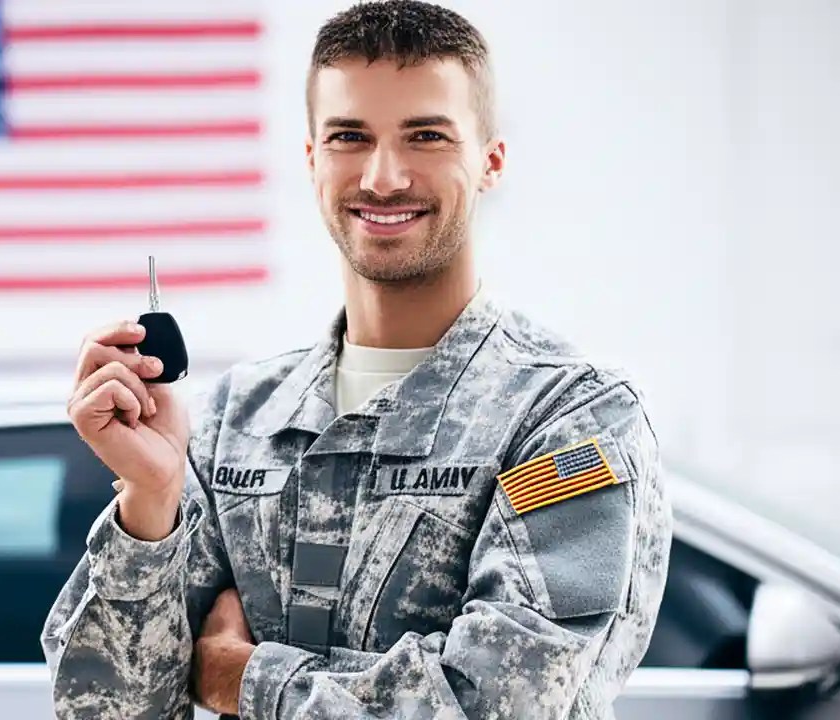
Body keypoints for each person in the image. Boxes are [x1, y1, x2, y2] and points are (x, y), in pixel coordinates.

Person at [41, 1, 671, 717]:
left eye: (426, 136)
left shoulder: (566, 417)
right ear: (312, 160)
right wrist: (149, 501)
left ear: (490, 160)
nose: (382, 177)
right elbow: (102, 709)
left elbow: (496, 702)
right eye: (349, 137)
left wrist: (242, 679)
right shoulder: (234, 421)